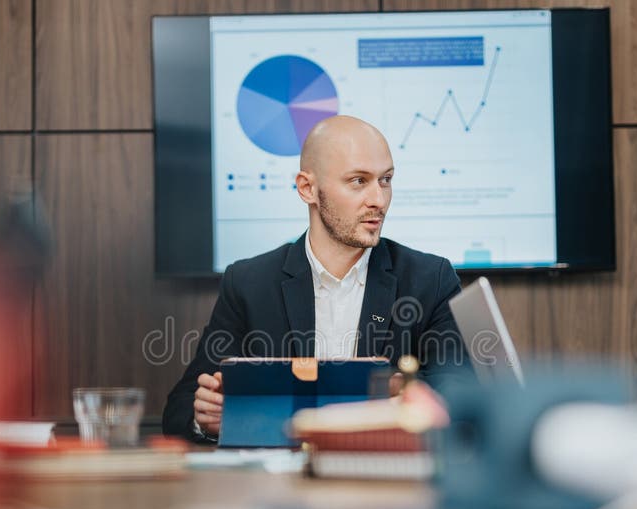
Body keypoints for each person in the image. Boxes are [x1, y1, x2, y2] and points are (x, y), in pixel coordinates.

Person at [161, 115, 466, 442]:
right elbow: (180, 408)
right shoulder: (248, 283)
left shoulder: (430, 279)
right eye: (358, 181)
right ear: (307, 188)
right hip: (284, 470)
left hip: (382, 469)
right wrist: (205, 416)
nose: (378, 200)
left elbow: (460, 397)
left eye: (385, 180)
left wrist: (401, 393)